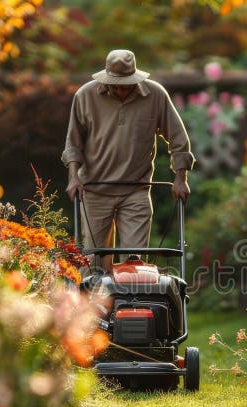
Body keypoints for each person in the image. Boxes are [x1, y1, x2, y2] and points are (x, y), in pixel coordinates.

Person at [61, 49, 195, 272]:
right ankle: (97, 307)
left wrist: (181, 178)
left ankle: (129, 305)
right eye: (116, 84)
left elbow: (178, 139)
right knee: (92, 265)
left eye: (126, 84)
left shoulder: (155, 95)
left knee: (133, 264)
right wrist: (73, 177)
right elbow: (73, 144)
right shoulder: (85, 96)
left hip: (136, 191)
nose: (121, 89)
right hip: (94, 190)